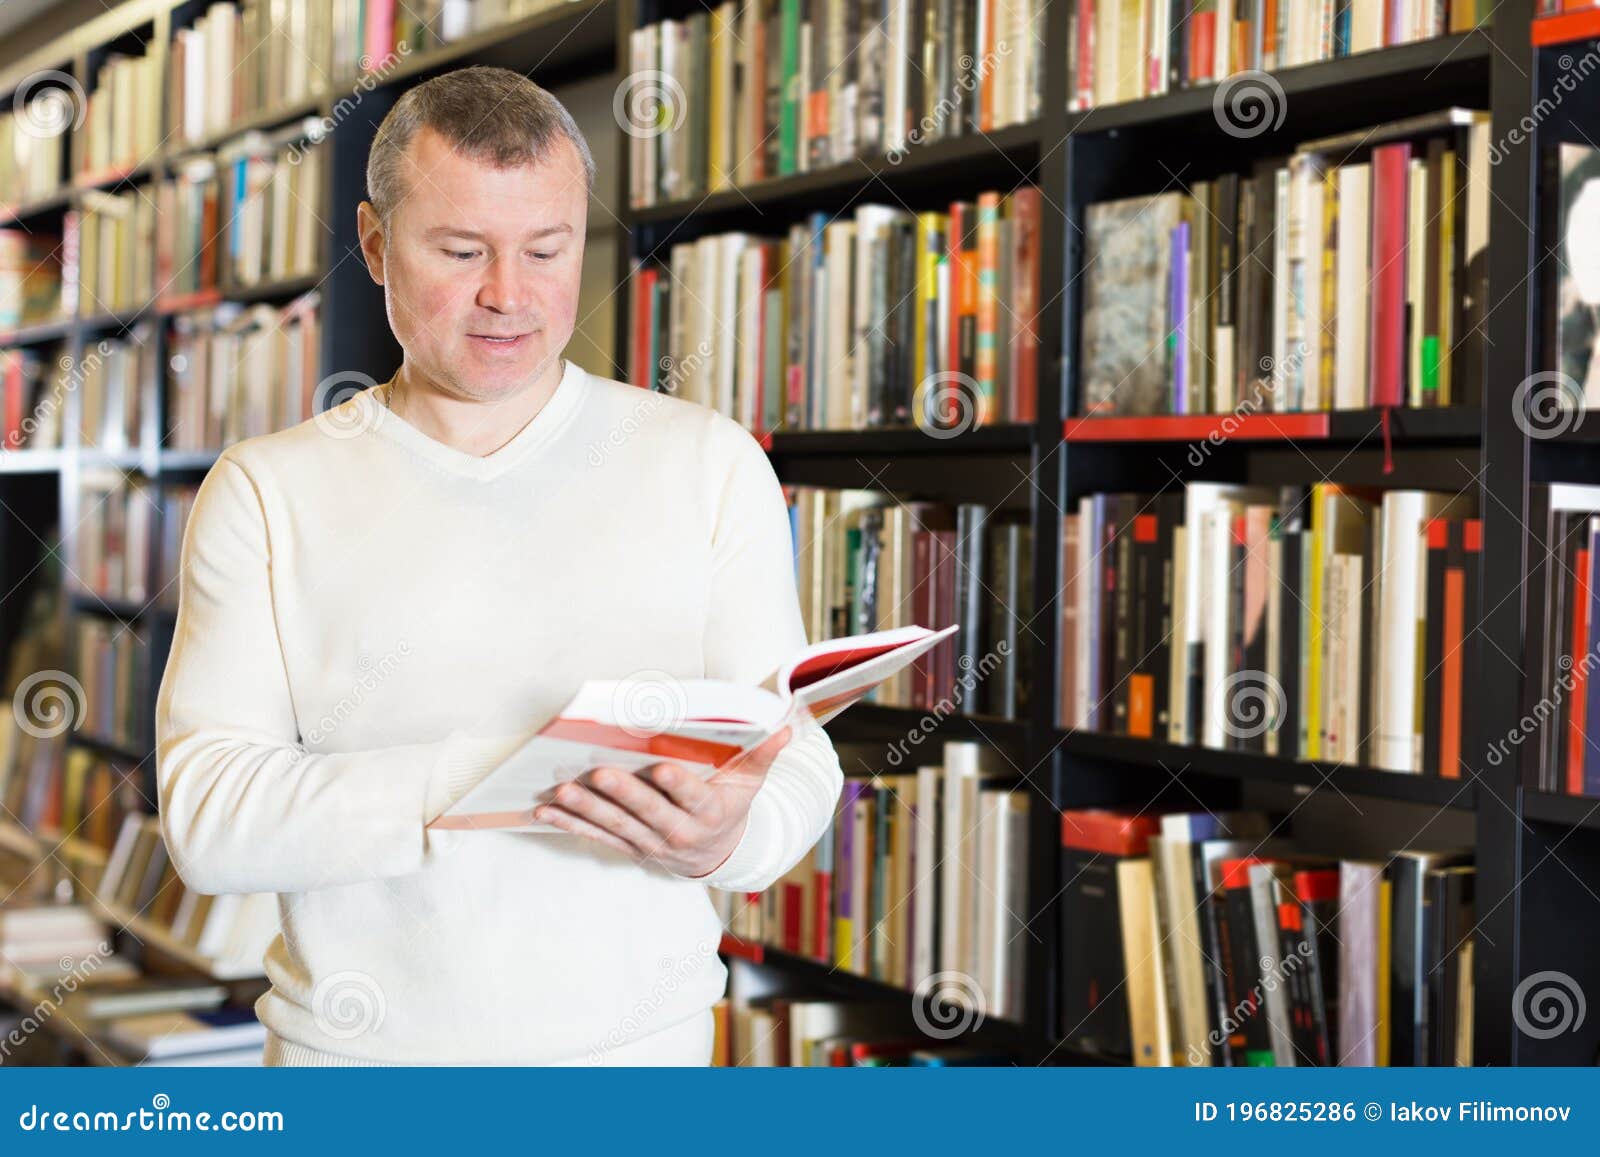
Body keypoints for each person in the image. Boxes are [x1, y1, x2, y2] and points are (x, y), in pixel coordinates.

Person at [154, 65, 845, 1066]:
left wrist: (722, 841)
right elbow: (212, 820)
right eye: (462, 249)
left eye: (546, 249)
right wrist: (505, 767)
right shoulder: (267, 490)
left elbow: (795, 767)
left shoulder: (707, 462)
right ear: (377, 243)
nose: (507, 295)